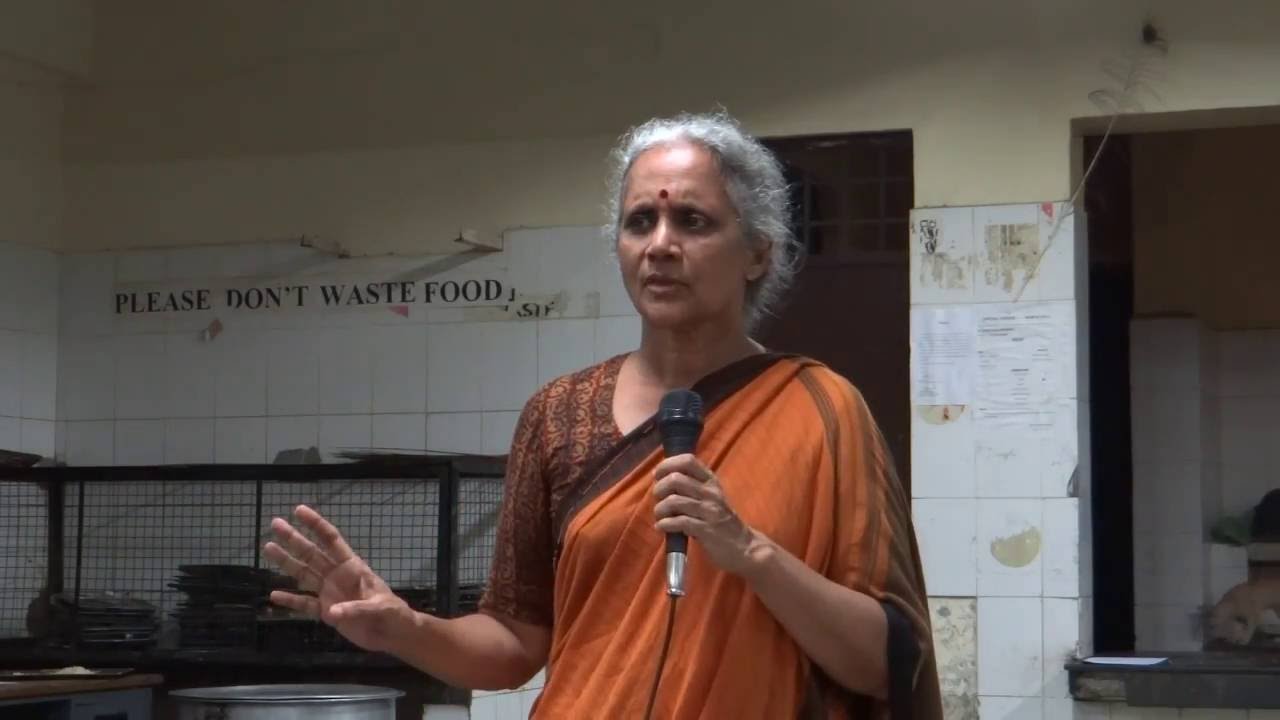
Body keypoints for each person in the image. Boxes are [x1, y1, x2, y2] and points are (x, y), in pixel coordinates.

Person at [264, 110, 942, 719]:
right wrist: (400, 627)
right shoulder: (557, 415)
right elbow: (513, 642)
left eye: (693, 221)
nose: (661, 244)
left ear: (759, 252)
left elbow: (884, 662)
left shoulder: (823, 412)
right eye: (640, 220)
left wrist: (754, 554)